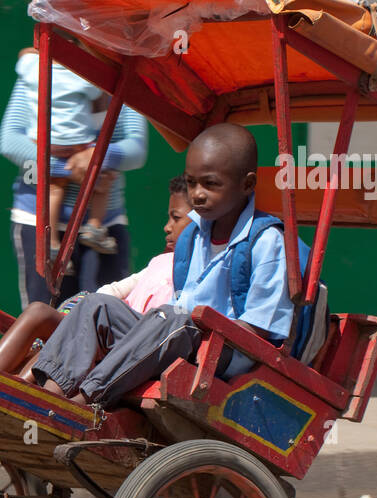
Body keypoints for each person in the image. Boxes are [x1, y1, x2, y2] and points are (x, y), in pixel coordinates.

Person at [30, 123, 298, 409]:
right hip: (177, 334)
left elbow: (261, 327)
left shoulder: (266, 241)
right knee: (95, 304)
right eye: (192, 182)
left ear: (246, 184)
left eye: (211, 184)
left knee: (175, 318)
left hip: (227, 351)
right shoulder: (194, 234)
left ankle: (85, 401)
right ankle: (51, 396)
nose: (197, 194)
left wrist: (205, 324)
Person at [0, 175, 193, 378]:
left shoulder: (197, 272)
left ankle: (18, 390)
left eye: (176, 218)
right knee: (39, 312)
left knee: (72, 332)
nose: (167, 227)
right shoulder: (161, 261)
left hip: (133, 347)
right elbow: (114, 290)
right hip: (106, 329)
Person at [0, 49, 148, 305]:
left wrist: (97, 157)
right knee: (44, 319)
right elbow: (9, 141)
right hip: (38, 222)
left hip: (103, 227)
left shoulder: (125, 79)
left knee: (102, 314)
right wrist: (69, 168)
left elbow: (137, 149)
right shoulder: (37, 71)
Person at [11, 49, 118, 261]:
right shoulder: (82, 75)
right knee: (101, 182)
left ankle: (50, 244)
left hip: (46, 143)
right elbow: (97, 94)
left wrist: (29, 54)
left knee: (53, 190)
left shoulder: (32, 68)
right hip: (77, 145)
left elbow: (23, 58)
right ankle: (95, 227)